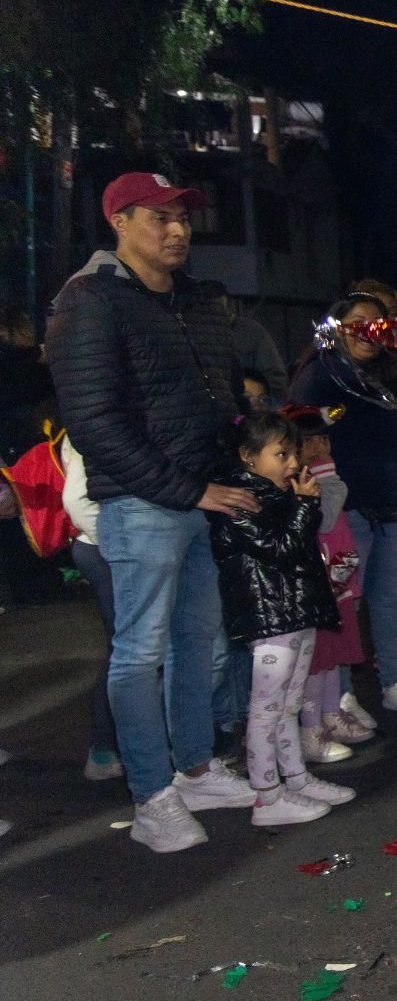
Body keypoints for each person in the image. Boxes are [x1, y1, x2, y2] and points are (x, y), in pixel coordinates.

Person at [46, 172, 261, 853]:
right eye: (159, 217)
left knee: (199, 642)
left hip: (206, 498)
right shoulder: (89, 300)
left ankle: (195, 770)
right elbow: (94, 423)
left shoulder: (194, 300)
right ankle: (151, 798)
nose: (177, 230)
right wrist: (187, 490)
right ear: (119, 222)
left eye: (183, 218)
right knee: (139, 653)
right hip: (143, 504)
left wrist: (237, 469)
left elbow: (224, 398)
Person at [289, 290, 397, 719]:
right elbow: (298, 437)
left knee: (388, 597)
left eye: (377, 324)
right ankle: (340, 695)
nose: (366, 331)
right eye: (357, 321)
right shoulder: (321, 374)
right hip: (346, 509)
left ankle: (394, 682)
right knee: (345, 601)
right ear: (338, 327)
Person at [207, 413, 356, 826]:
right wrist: (304, 504)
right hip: (271, 616)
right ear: (248, 456)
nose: (293, 463)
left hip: (295, 610)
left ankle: (296, 778)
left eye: (293, 453)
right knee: (266, 709)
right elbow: (280, 549)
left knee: (288, 703)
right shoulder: (241, 501)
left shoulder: (279, 494)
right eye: (281, 454)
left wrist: (302, 503)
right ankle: (267, 797)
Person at [292, 409, 372, 759]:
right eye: (309, 441)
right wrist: (327, 475)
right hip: (318, 581)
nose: (319, 448)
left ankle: (330, 715)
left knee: (333, 656)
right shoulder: (304, 482)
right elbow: (323, 520)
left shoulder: (325, 476)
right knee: (317, 657)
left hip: (337, 575)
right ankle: (311, 730)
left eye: (324, 439)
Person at [59, 437, 123, 781]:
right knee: (129, 653)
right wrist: (121, 544)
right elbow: (76, 499)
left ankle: (108, 749)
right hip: (104, 548)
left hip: (107, 546)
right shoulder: (92, 422)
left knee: (131, 652)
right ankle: (103, 751)